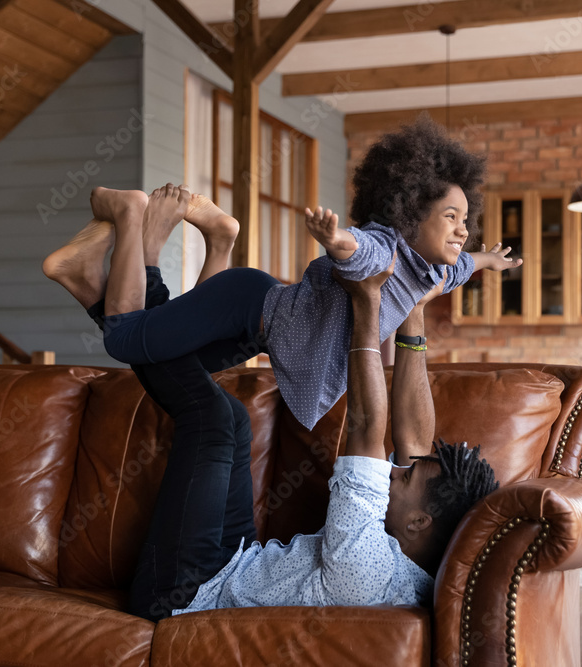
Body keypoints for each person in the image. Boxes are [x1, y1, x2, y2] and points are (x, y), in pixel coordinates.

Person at [43, 195, 499, 621]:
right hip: (237, 561)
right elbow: (415, 440)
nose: (395, 470)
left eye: (406, 477)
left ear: (420, 520)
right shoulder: (416, 573)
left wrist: (370, 301)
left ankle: (126, 254)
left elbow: (364, 428)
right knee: (232, 418)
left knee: (212, 418)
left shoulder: (368, 570)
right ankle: (88, 282)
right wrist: (414, 311)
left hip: (184, 596)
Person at [58, 117, 522, 432]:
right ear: (408, 216)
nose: (464, 229)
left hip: (259, 332)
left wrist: (491, 260)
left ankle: (218, 239)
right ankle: (130, 212)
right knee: (123, 342)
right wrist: (334, 236)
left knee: (177, 363)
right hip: (244, 301)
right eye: (451, 217)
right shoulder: (386, 252)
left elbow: (465, 265)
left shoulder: (431, 274)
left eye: (466, 219)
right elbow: (356, 252)